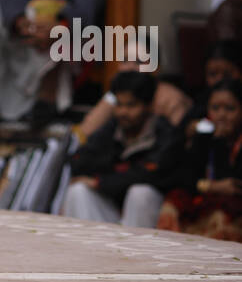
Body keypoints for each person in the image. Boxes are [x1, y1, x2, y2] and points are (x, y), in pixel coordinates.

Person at [61, 71, 180, 227]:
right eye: (119, 104)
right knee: (78, 191)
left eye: (131, 105)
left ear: (149, 106)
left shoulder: (165, 133)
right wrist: (115, 175)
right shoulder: (112, 129)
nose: (123, 112)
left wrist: (102, 181)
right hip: (112, 207)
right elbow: (79, 161)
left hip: (147, 212)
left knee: (140, 194)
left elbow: (152, 173)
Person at [158, 80, 242, 242]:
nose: (222, 115)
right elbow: (181, 176)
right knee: (172, 204)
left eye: (230, 109)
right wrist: (211, 186)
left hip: (233, 207)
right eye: (215, 108)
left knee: (221, 216)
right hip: (207, 198)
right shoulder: (206, 135)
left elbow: (234, 185)